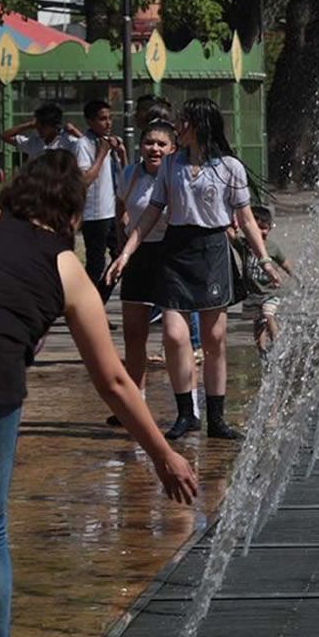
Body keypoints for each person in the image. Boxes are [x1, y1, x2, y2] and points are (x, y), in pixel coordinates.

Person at [0, 151, 198, 637]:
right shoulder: (67, 268)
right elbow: (116, 382)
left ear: (15, 189)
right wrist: (164, 455)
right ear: (73, 215)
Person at [106, 97, 280, 440]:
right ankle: (186, 413)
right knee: (173, 333)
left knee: (215, 338)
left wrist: (264, 259)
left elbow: (245, 219)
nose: (176, 127)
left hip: (211, 250)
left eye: (182, 122)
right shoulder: (171, 166)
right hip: (176, 250)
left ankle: (216, 418)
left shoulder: (229, 167)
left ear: (198, 125)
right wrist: (125, 253)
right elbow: (152, 213)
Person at [103, 120, 177, 428]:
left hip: (170, 254)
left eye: (161, 144)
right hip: (136, 255)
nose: (154, 149)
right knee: (134, 334)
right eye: (149, 142)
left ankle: (188, 409)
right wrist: (122, 249)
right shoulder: (130, 173)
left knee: (176, 336)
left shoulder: (178, 175)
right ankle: (136, 405)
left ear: (173, 149)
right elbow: (121, 206)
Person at [75, 100, 127, 303]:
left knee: (121, 256)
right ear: (90, 121)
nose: (108, 123)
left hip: (112, 210)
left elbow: (125, 175)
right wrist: (102, 153)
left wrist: (121, 154)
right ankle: (85, 307)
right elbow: (85, 179)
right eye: (102, 119)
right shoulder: (84, 144)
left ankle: (98, 299)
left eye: (110, 118)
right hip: (94, 213)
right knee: (95, 263)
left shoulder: (109, 141)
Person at [234, 205, 294, 355]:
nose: (262, 232)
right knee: (258, 323)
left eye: (265, 228)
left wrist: (295, 275)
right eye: (258, 227)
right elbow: (230, 236)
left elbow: (284, 263)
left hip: (270, 292)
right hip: (252, 293)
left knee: (268, 315)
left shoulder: (272, 247)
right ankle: (262, 351)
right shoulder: (244, 246)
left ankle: (278, 344)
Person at [0, 103, 81, 160]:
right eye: (38, 126)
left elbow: (88, 147)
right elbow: (5, 136)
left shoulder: (68, 140)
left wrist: (75, 131)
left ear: (54, 126)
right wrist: (29, 125)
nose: (39, 129)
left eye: (43, 126)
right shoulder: (34, 142)